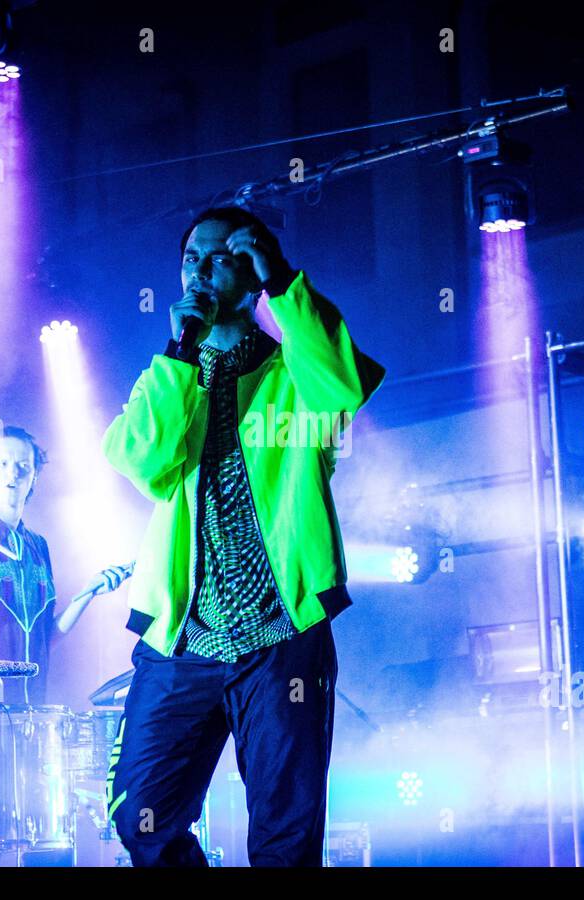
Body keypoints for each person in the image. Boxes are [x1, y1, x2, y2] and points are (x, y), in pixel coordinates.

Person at [101, 206, 384, 866]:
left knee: (285, 842)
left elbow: (344, 385)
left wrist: (283, 281)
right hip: (183, 638)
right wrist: (180, 355)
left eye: (219, 256)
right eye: (190, 259)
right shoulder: (172, 375)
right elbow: (139, 457)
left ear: (251, 267)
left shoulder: (296, 372)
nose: (201, 269)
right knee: (141, 816)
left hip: (280, 637)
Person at [0, 424, 127, 707]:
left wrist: (87, 593)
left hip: (29, 711)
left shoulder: (37, 547)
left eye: (23, 466)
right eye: (3, 463)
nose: (12, 473)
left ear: (34, 477)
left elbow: (42, 638)